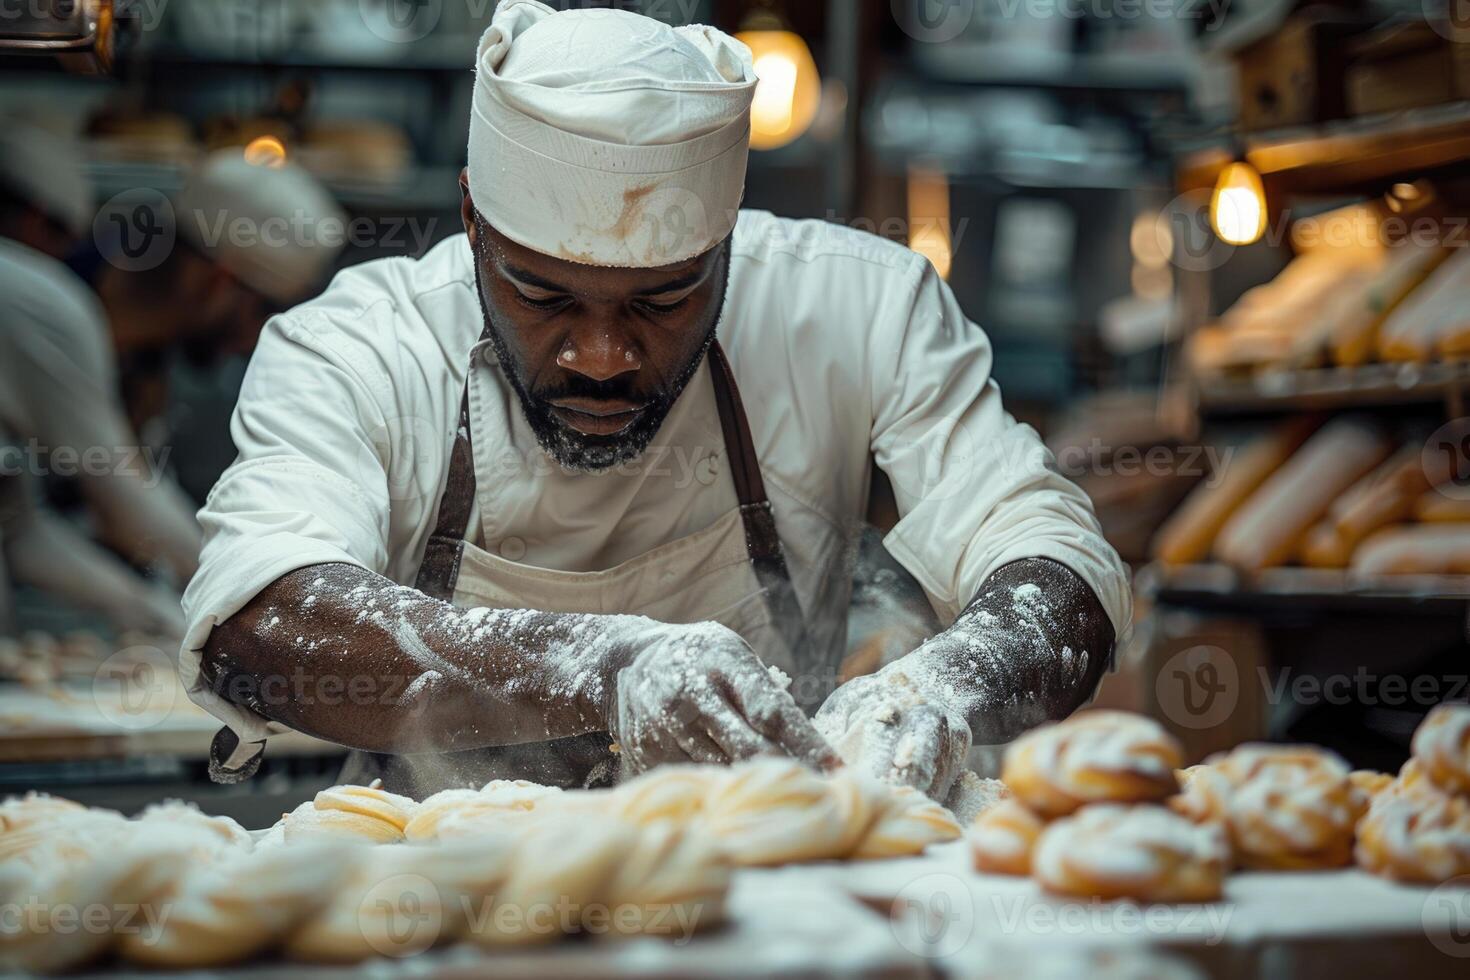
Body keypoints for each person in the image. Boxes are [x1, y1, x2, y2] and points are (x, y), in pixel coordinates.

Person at [183, 0, 1130, 800]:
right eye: (543, 295)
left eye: (665, 299)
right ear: (473, 222)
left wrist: (934, 693)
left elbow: (1054, 562)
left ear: (728, 247)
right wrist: (606, 668)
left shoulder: (861, 307)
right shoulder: (358, 346)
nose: (601, 356)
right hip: (441, 903)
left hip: (779, 896)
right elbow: (261, 616)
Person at [0, 142, 343, 639]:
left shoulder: (144, 371)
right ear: (219, 282)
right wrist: (277, 598)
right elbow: (126, 501)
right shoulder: (46, 309)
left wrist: (142, 607)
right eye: (263, 313)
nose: (253, 342)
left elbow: (18, 526)